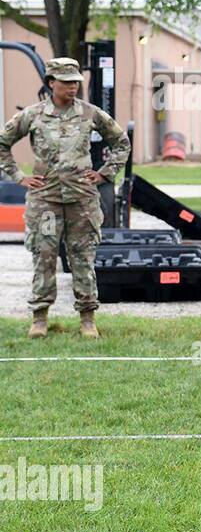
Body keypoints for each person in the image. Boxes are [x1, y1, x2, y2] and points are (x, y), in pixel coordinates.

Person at [0, 57, 129, 339]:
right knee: (43, 255)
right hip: (45, 200)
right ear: (51, 83)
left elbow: (121, 142)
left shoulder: (90, 113)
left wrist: (106, 173)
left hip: (81, 199)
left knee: (82, 257)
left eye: (76, 83)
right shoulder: (33, 115)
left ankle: (87, 318)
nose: (73, 88)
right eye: (67, 82)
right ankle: (40, 318)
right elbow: (2, 143)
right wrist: (18, 177)